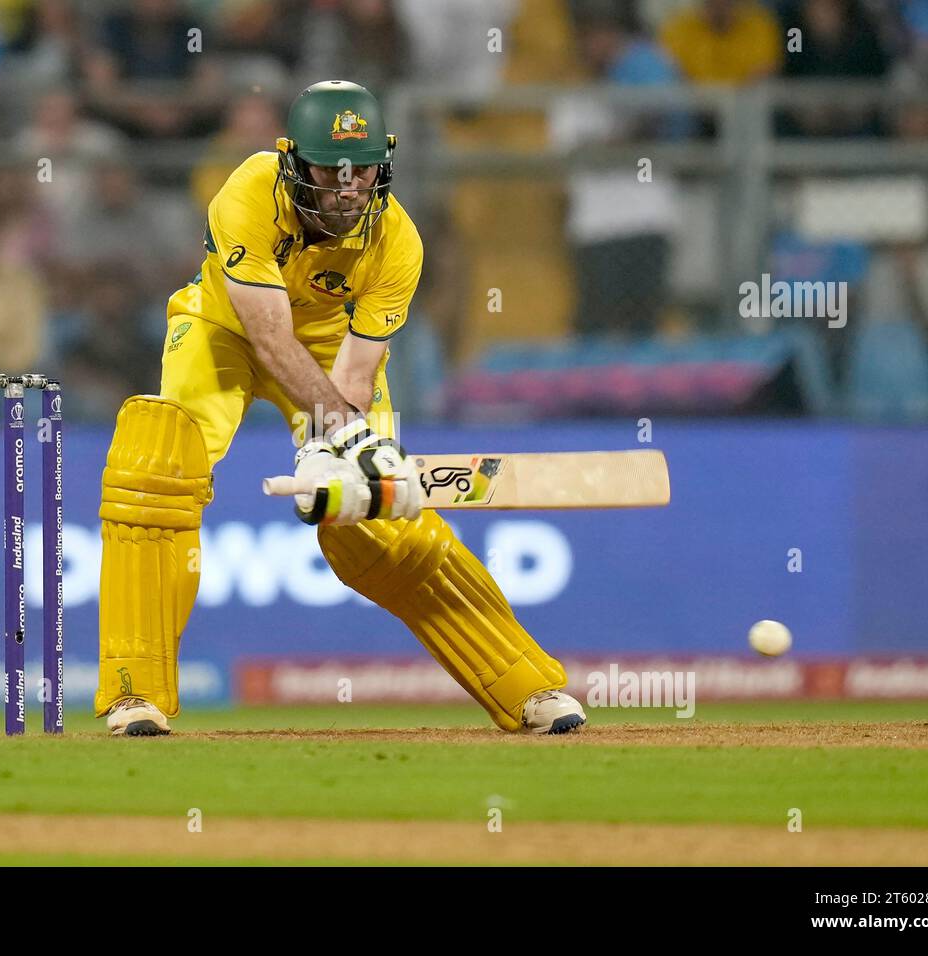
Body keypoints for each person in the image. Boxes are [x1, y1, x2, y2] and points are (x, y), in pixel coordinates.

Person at [95, 80, 586, 737]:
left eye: (362, 171)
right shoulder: (248, 191)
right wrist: (353, 436)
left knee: (382, 521)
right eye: (330, 170)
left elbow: (355, 365)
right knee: (155, 466)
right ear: (295, 163)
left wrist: (335, 452)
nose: (348, 187)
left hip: (327, 347)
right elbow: (268, 337)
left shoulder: (399, 243)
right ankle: (135, 695)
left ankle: (530, 690)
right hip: (223, 331)